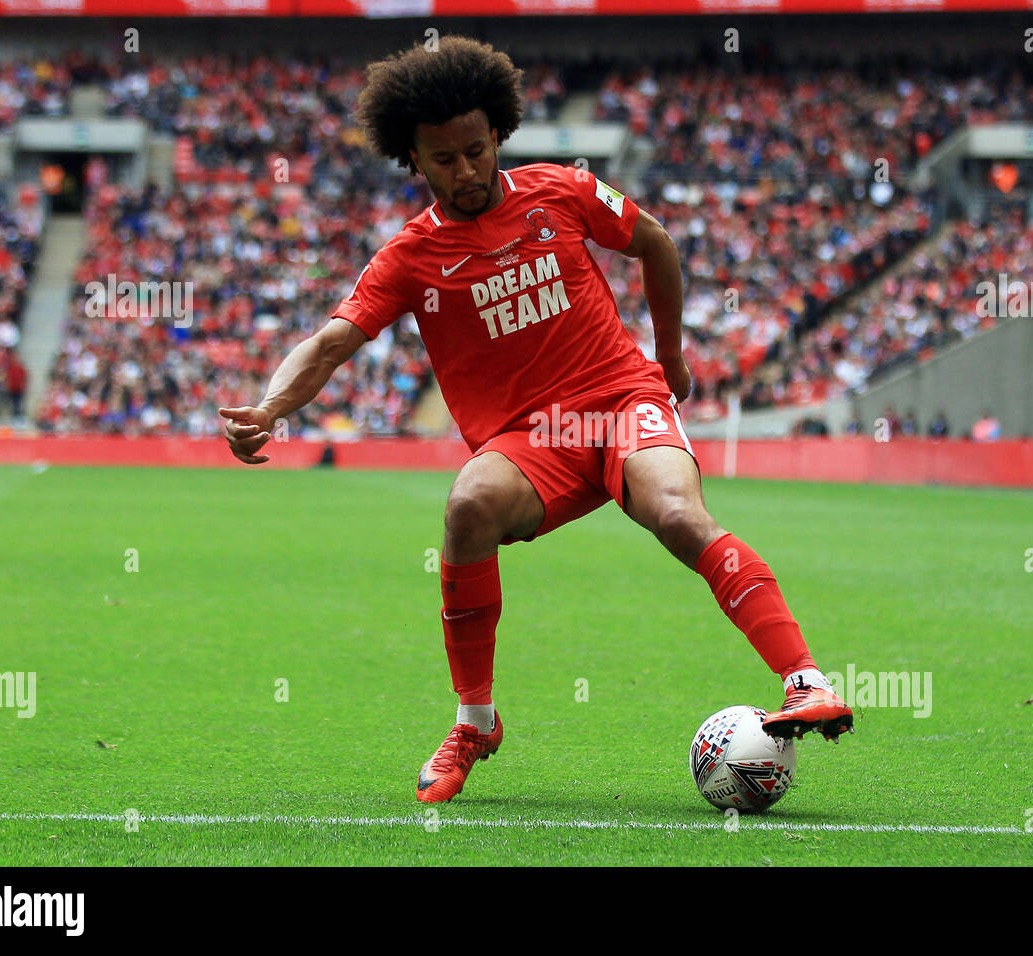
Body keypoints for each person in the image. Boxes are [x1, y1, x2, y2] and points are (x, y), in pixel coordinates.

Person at [219, 37, 852, 804]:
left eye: (477, 151)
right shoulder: (410, 257)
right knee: (467, 506)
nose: (466, 172)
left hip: (621, 399)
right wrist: (269, 408)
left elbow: (656, 245)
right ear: (413, 161)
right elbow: (329, 344)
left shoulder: (564, 191)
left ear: (499, 137)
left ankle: (805, 681)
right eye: (444, 159)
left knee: (679, 514)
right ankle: (476, 722)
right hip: (529, 443)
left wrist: (670, 357)